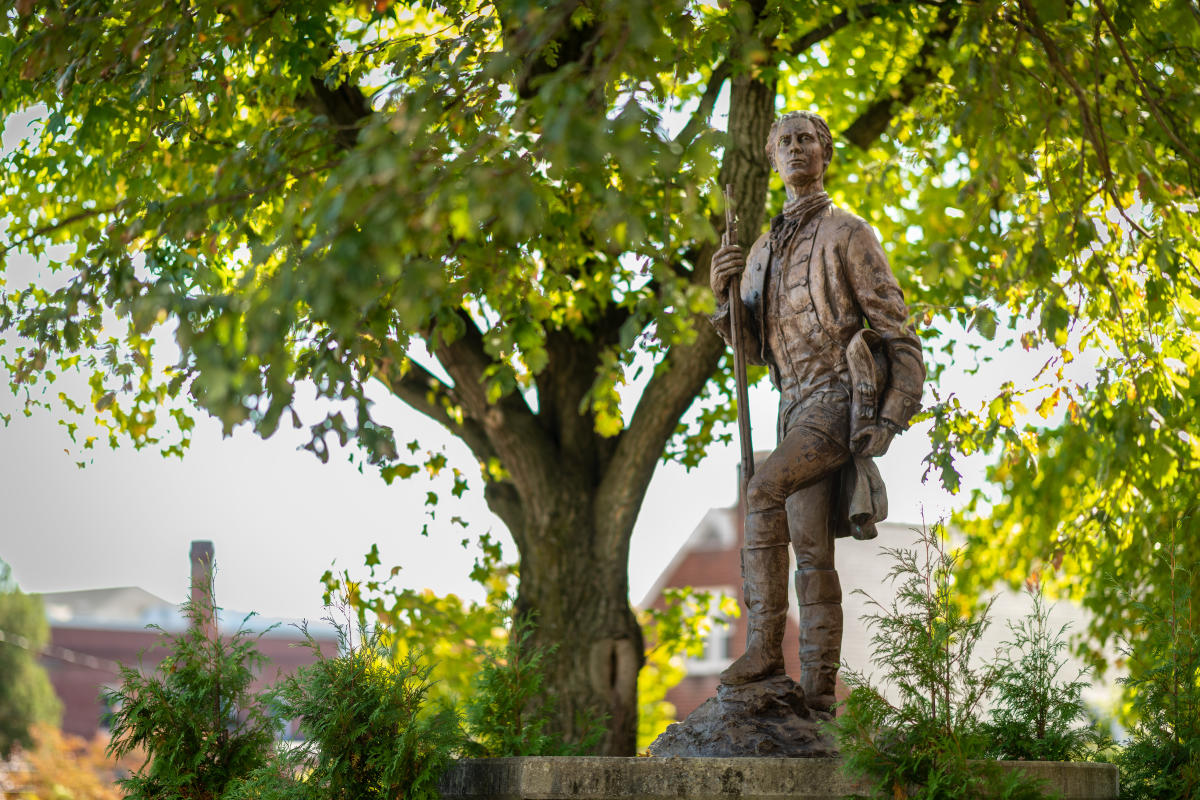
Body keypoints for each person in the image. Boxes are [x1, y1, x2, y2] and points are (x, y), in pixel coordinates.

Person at [709, 109, 925, 714]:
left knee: (760, 491)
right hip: (791, 406)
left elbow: (896, 331)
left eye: (807, 140)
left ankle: (763, 649)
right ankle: (820, 694)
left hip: (836, 397)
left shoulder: (849, 233)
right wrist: (724, 297)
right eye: (785, 141)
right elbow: (749, 349)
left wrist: (891, 413)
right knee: (810, 549)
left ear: (824, 154)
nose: (796, 149)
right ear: (773, 158)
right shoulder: (757, 251)